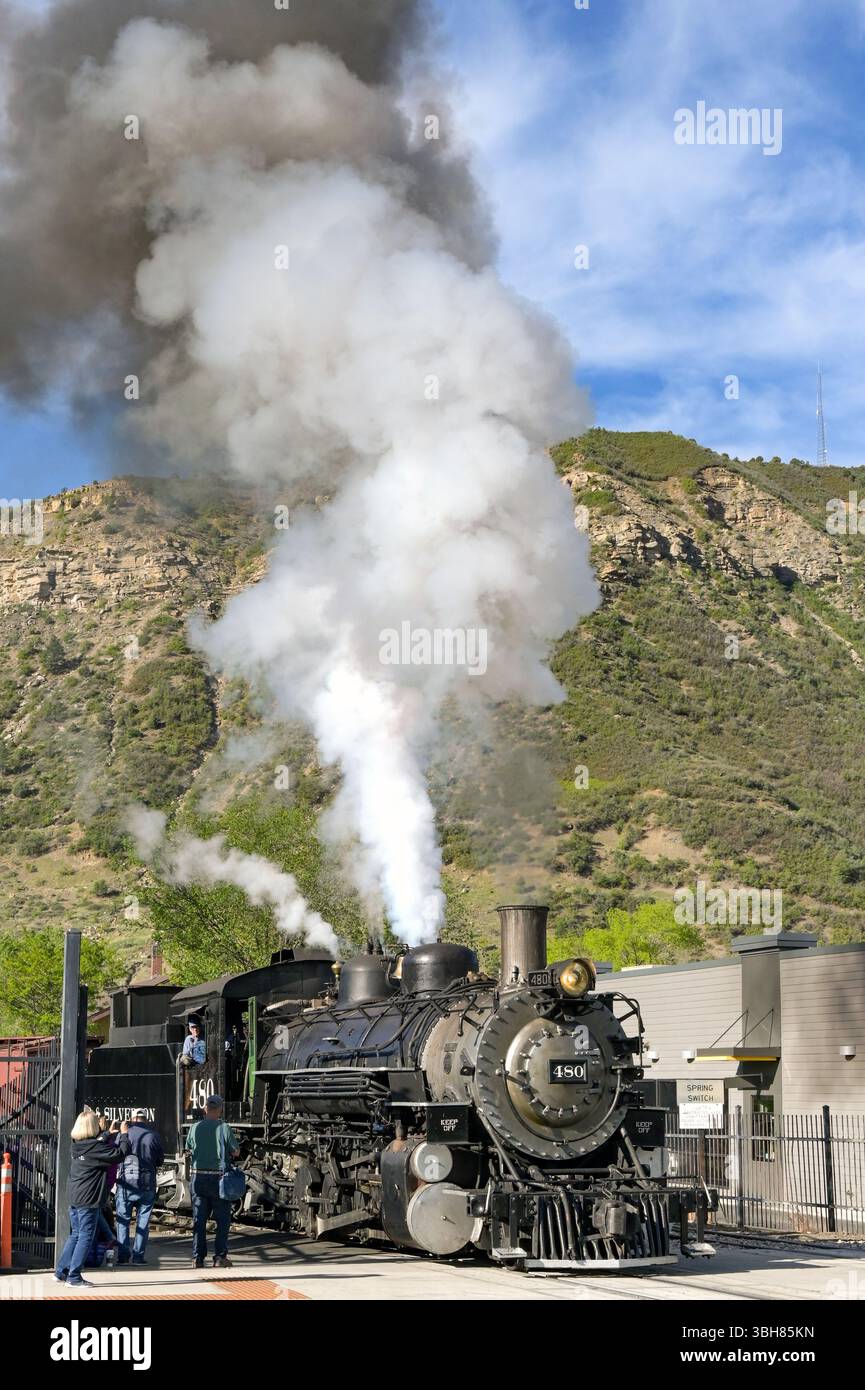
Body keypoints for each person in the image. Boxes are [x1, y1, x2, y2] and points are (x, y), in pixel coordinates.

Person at [54, 1113, 130, 1287]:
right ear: (92, 1127)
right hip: (88, 1198)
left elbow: (94, 1146)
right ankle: (74, 1277)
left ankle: (61, 1271)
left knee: (75, 1235)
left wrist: (107, 1135)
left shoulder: (77, 1146)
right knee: (85, 1236)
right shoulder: (95, 1148)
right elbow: (120, 1153)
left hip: (75, 1196)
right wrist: (124, 1134)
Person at [185, 1095, 240, 1269]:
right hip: (218, 1179)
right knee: (222, 1220)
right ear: (220, 1110)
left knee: (199, 1221)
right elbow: (236, 1152)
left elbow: (189, 1148)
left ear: (205, 1109)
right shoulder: (224, 1127)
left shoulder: (194, 1127)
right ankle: (219, 1257)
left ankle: (197, 1258)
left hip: (198, 1178)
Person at [115, 1108, 165, 1265]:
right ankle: (138, 1257)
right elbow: (160, 1161)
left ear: (132, 1118)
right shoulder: (153, 1135)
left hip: (126, 1184)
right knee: (143, 1222)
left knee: (123, 1221)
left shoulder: (124, 1134)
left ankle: (123, 1256)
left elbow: (115, 1155)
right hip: (147, 1183)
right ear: (145, 1119)